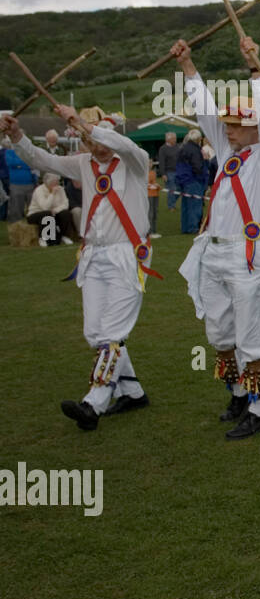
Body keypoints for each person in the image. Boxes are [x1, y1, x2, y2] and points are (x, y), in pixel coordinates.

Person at [2, 106, 157, 429]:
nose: (94, 145)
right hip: (93, 256)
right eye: (88, 138)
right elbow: (43, 161)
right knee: (94, 333)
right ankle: (132, 391)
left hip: (128, 255)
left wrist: (85, 124)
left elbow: (125, 146)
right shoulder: (83, 163)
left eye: (97, 136)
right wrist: (16, 135)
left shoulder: (134, 162)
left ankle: (94, 402)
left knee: (112, 333)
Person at [174, 36, 260, 440]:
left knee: (249, 335)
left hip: (247, 255)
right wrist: (188, 68)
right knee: (219, 332)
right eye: (229, 123)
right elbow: (204, 112)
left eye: (238, 124)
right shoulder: (226, 153)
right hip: (213, 255)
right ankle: (238, 391)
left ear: (253, 128)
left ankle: (259, 407)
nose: (230, 129)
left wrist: (254, 67)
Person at [26, 171, 77, 245]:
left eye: (57, 182)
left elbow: (65, 204)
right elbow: (44, 207)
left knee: (66, 213)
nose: (57, 184)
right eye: (55, 182)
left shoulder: (60, 189)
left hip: (53, 213)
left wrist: (56, 210)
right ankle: (43, 238)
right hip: (36, 213)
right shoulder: (39, 190)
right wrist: (52, 194)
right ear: (47, 183)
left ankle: (64, 236)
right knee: (47, 214)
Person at [175, 128, 207, 234]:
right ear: (198, 139)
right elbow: (197, 166)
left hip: (183, 180)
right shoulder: (195, 150)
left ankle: (185, 227)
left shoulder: (182, 148)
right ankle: (193, 228)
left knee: (186, 206)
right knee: (195, 205)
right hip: (193, 180)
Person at [157, 131, 180, 210]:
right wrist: (163, 174)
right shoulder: (163, 149)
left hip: (179, 171)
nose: (175, 140)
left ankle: (172, 203)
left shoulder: (178, 147)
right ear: (168, 140)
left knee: (178, 189)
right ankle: (171, 206)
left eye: (175, 138)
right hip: (169, 172)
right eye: (174, 139)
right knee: (171, 189)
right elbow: (161, 162)